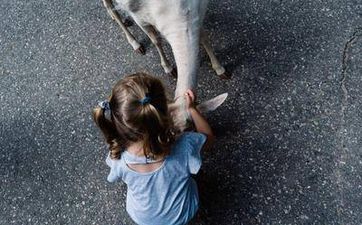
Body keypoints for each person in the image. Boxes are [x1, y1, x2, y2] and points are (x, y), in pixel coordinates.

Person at [93, 73, 214, 225]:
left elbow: (114, 176)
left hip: (143, 218)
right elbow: (208, 137)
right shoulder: (184, 146)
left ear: (119, 123)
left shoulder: (117, 154)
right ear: (165, 114)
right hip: (180, 216)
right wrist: (191, 109)